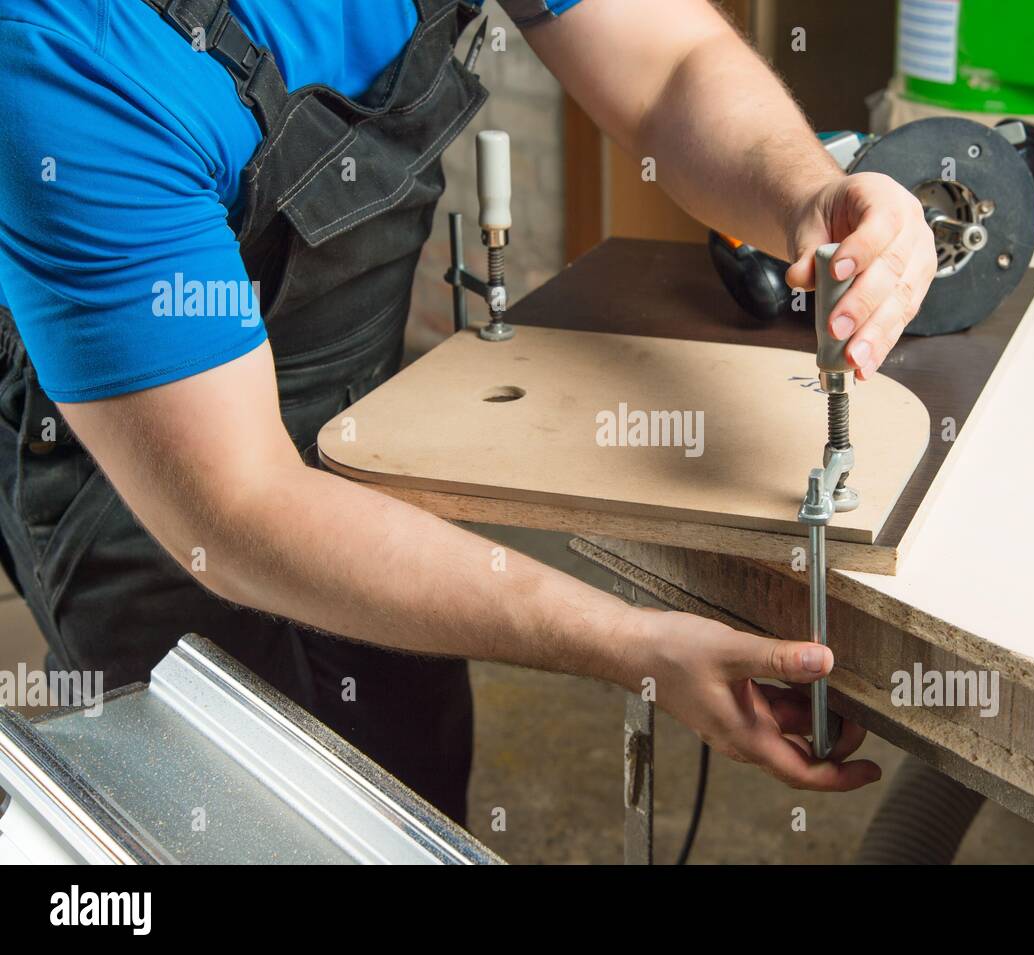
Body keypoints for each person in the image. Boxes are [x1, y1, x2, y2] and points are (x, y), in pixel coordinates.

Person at [0, 0, 937, 823]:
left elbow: (668, 69)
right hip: (145, 471)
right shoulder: (64, 50)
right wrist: (631, 642)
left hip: (356, 428)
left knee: (408, 780)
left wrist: (807, 192)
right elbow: (238, 506)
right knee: (230, 808)